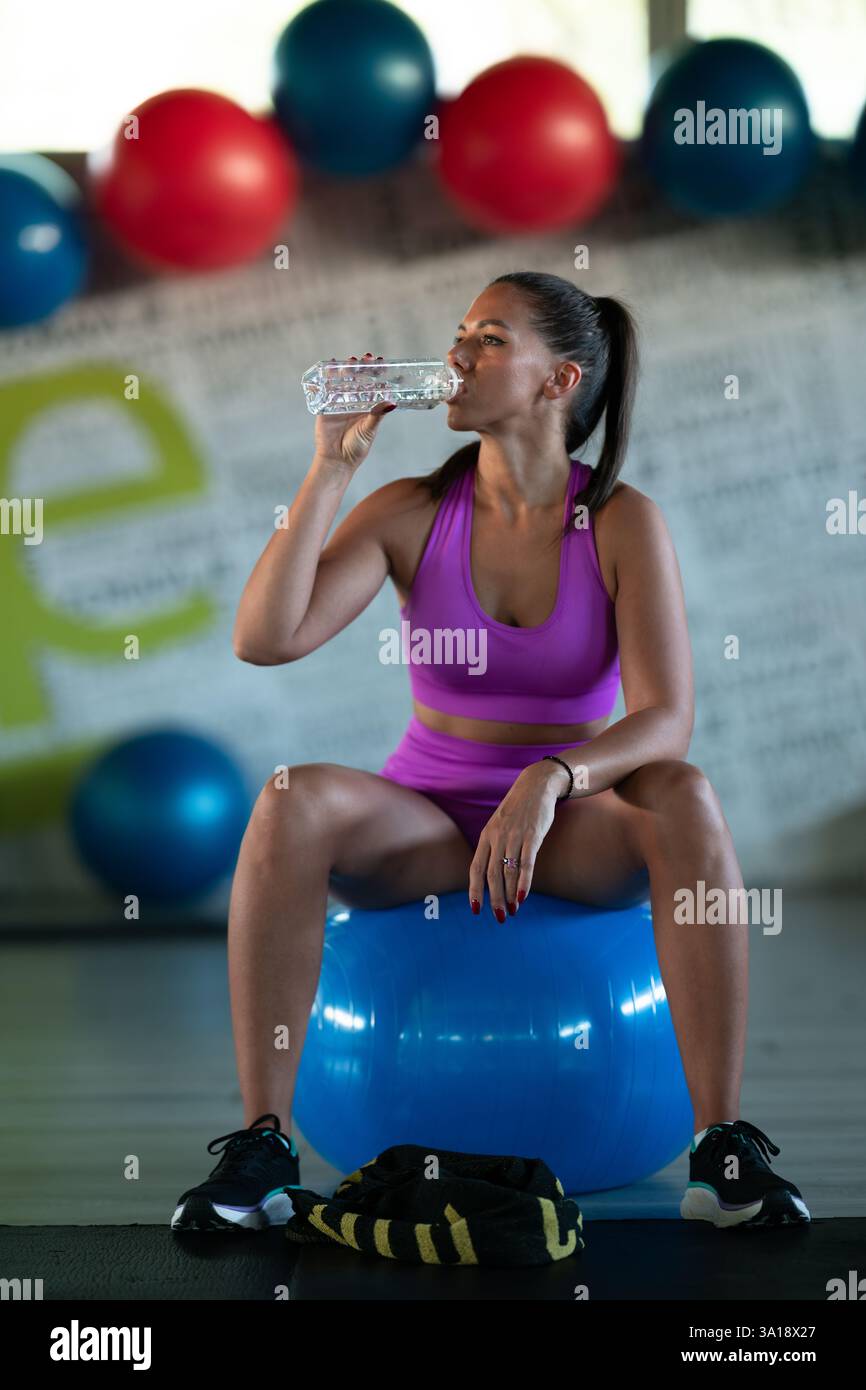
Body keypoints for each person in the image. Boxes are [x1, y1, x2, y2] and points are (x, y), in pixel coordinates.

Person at [171, 271, 810, 1233]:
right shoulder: (408, 510)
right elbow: (266, 638)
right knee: (288, 797)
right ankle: (264, 1150)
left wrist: (551, 777)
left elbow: (665, 718)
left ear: (560, 381)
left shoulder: (623, 521)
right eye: (460, 332)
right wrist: (330, 468)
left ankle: (722, 1148)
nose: (459, 354)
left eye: (491, 339)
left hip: (571, 828)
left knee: (682, 791)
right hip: (428, 825)